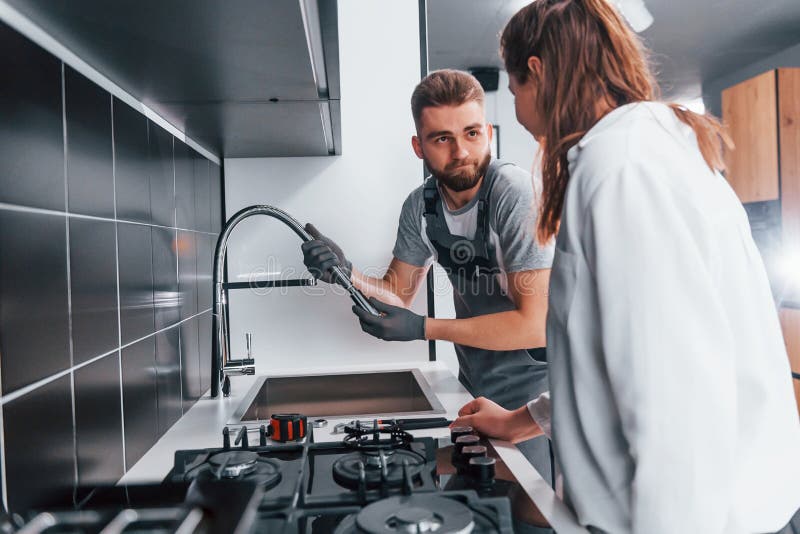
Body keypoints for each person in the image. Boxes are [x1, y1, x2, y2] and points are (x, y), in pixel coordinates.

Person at [451, 1, 800, 533]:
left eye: (514, 89)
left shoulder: (623, 170)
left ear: (537, 72)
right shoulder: (640, 153)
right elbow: (618, 359)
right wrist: (521, 421)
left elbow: (674, 395)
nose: (517, 109)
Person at [301, 69, 555, 489]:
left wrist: (424, 328)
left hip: (537, 395)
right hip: (477, 383)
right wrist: (347, 274)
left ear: (488, 133)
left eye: (471, 133)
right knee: (476, 501)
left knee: (529, 507)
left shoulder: (514, 194)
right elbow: (397, 293)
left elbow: (535, 324)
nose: (461, 152)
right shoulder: (421, 207)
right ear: (419, 147)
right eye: (442, 139)